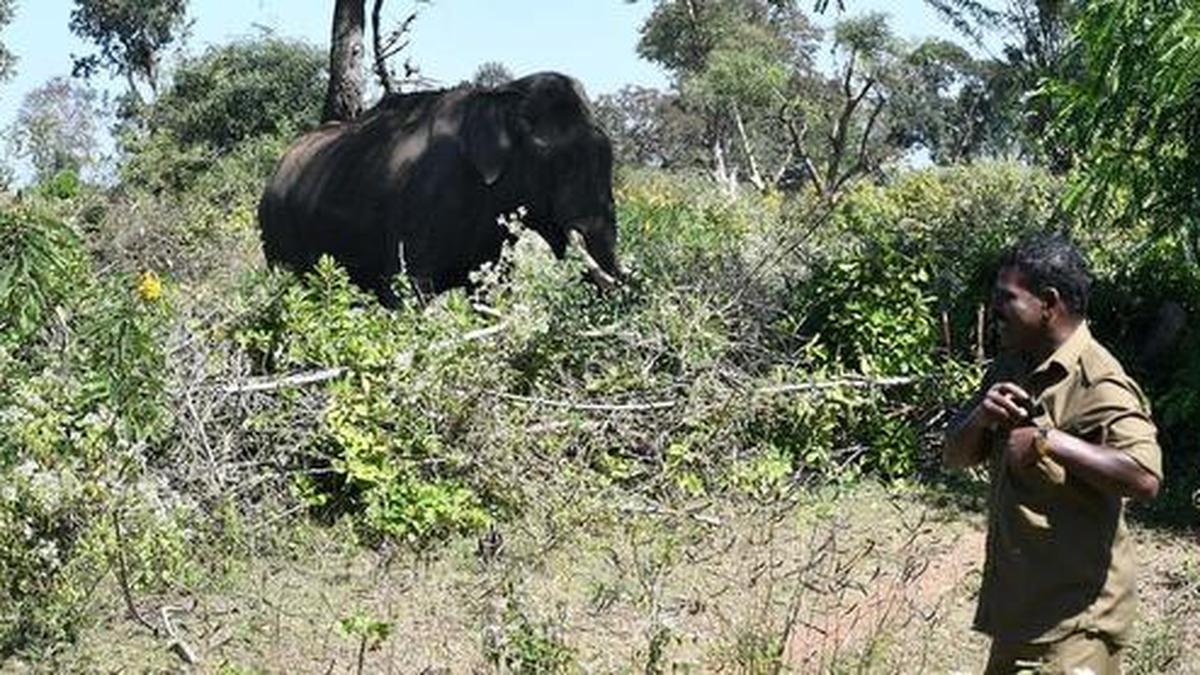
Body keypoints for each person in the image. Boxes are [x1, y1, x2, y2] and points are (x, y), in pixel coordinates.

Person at [944, 233, 1162, 674]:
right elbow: (956, 457)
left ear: (1049, 302)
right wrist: (981, 419)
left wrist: (1049, 440)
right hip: (1022, 617)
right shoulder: (1013, 366)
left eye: (1007, 299)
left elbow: (1144, 478)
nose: (996, 312)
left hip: (1073, 629)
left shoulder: (1098, 381)